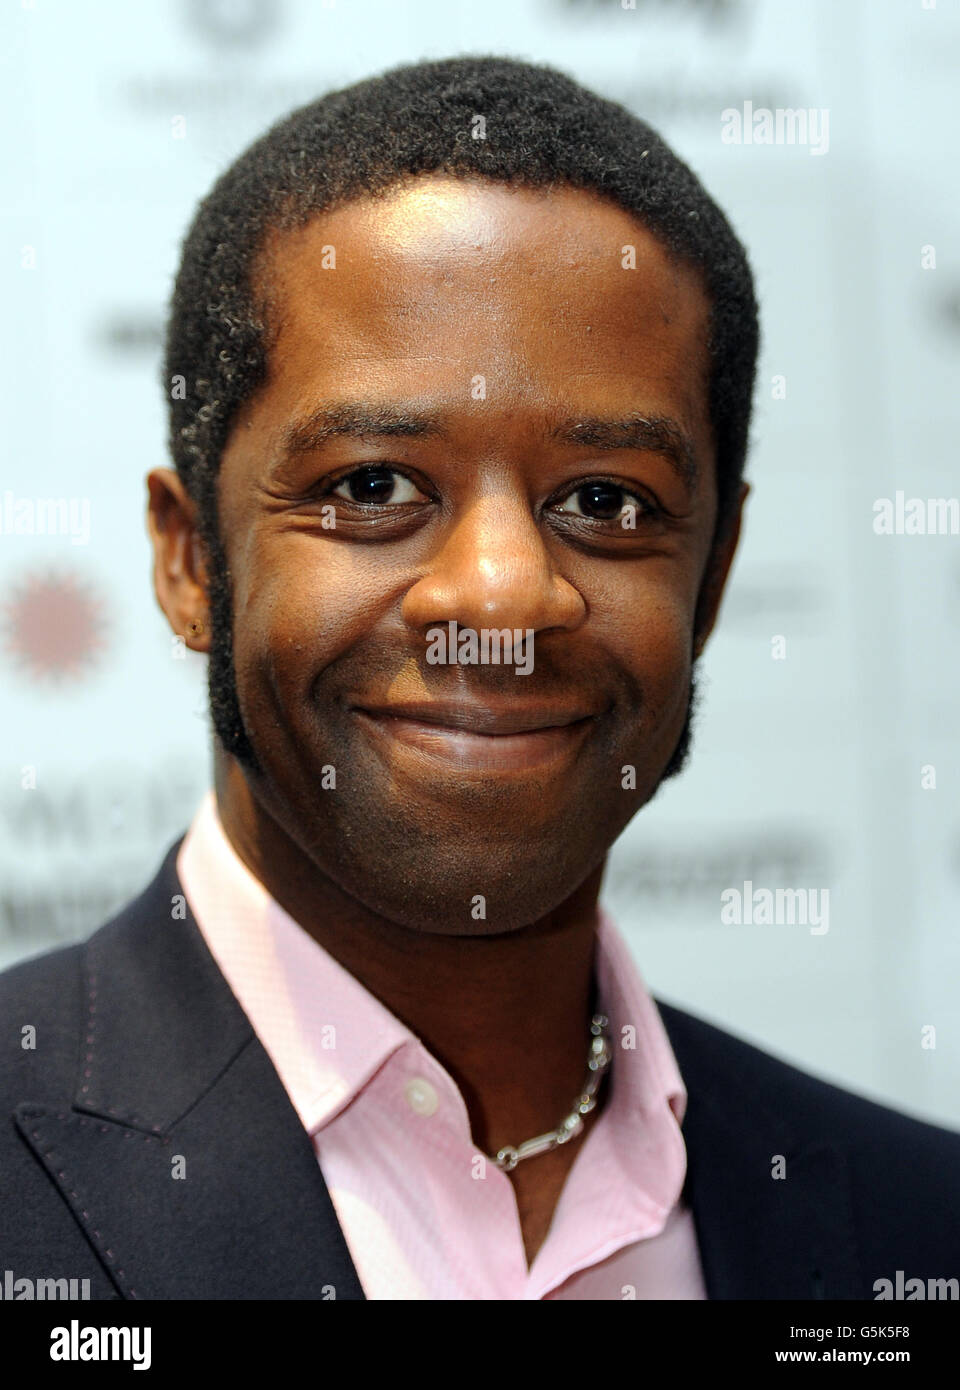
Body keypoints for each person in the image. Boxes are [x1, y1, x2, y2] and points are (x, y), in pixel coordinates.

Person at [2, 55, 958, 1302]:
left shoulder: (916, 1227)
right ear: (191, 561)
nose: (502, 599)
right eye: (372, 487)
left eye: (605, 501)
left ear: (712, 582)